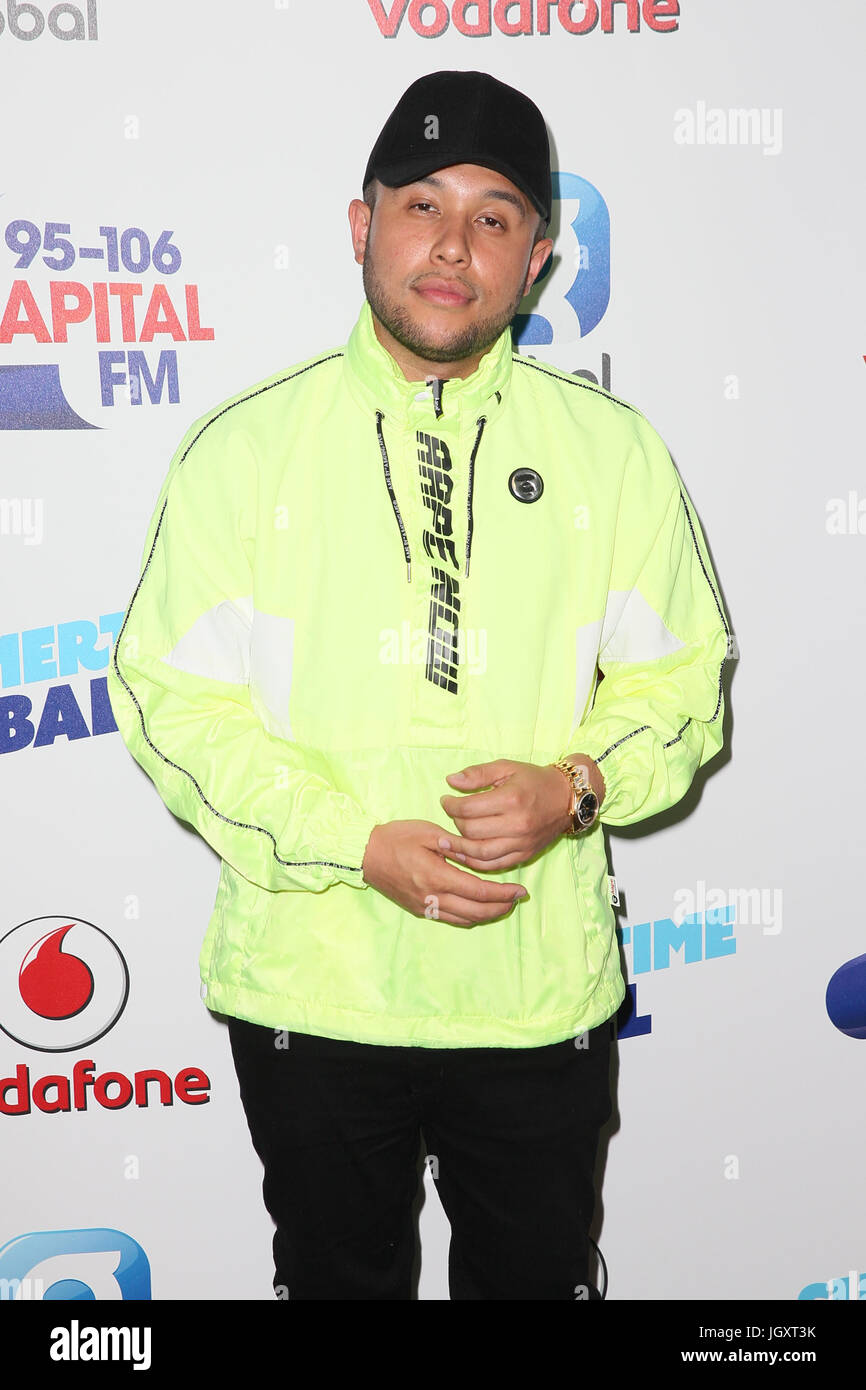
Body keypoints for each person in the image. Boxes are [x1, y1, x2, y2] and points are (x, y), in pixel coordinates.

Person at [107, 69, 731, 1301]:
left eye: (494, 217)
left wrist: (582, 782)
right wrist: (352, 841)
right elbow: (169, 706)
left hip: (531, 994)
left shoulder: (613, 454)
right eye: (421, 206)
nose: (452, 247)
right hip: (312, 986)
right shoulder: (243, 450)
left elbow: (681, 680)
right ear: (361, 225)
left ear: (537, 258)